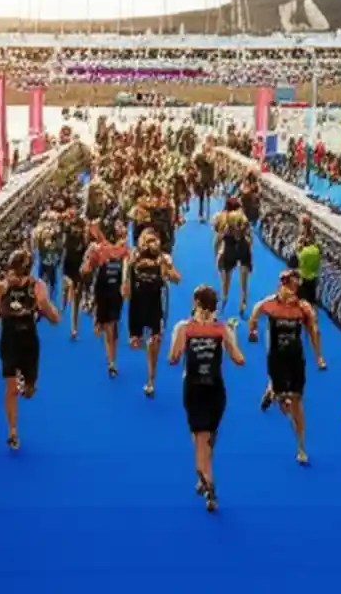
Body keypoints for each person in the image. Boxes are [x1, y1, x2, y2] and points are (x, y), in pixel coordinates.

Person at [168, 285, 245, 512]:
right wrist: (231, 335)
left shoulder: (185, 327)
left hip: (195, 389)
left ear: (196, 303)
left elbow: (173, 358)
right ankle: (207, 482)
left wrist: (176, 336)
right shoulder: (221, 329)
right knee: (204, 437)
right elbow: (240, 359)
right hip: (215, 391)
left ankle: (205, 478)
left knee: (202, 438)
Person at [0, 248, 61, 450]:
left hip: (29, 341)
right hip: (9, 341)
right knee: (10, 389)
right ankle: (12, 432)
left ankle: (27, 384)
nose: (15, 278)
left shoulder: (37, 287)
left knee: (28, 390)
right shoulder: (1, 287)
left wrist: (46, 308)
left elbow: (54, 317)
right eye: (13, 273)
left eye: (20, 274)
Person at [248, 270, 326, 464]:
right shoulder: (270, 304)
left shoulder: (303, 308)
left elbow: (313, 331)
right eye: (289, 288)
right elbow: (255, 313)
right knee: (285, 401)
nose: (293, 292)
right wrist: (253, 330)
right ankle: (273, 391)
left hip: (296, 359)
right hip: (276, 358)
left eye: (295, 288)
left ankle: (301, 446)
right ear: (280, 286)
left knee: (297, 400)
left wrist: (319, 357)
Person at [123, 228, 182, 397]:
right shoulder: (134, 256)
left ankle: (151, 379)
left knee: (154, 342)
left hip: (156, 303)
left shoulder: (163, 258)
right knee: (135, 343)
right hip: (137, 304)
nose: (151, 244)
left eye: (154, 240)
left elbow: (177, 278)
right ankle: (140, 341)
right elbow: (125, 284)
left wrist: (167, 267)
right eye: (147, 240)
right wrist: (125, 283)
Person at [83, 219, 129, 377]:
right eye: (120, 229)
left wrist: (125, 283)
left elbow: (127, 268)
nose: (123, 231)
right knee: (108, 326)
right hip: (102, 292)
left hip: (116, 294)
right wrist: (89, 258)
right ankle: (111, 361)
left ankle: (112, 361)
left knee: (112, 326)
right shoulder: (99, 249)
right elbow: (87, 270)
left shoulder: (124, 250)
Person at [213, 197, 252, 315]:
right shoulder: (242, 217)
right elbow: (248, 236)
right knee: (244, 275)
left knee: (226, 276)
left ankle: (224, 296)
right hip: (243, 247)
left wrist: (216, 253)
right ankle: (244, 298)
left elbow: (217, 237)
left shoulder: (221, 217)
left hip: (229, 247)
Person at [60, 206, 89, 338]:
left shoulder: (84, 228)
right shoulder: (67, 227)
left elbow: (87, 244)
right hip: (69, 262)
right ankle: (64, 300)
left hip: (79, 263)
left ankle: (74, 327)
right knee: (68, 286)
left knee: (77, 295)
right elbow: (63, 238)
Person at [33, 212, 65, 299]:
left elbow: (36, 245)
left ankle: (43, 297)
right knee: (50, 280)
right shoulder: (55, 230)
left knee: (43, 279)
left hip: (46, 259)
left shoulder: (41, 230)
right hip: (50, 259)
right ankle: (47, 297)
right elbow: (60, 246)